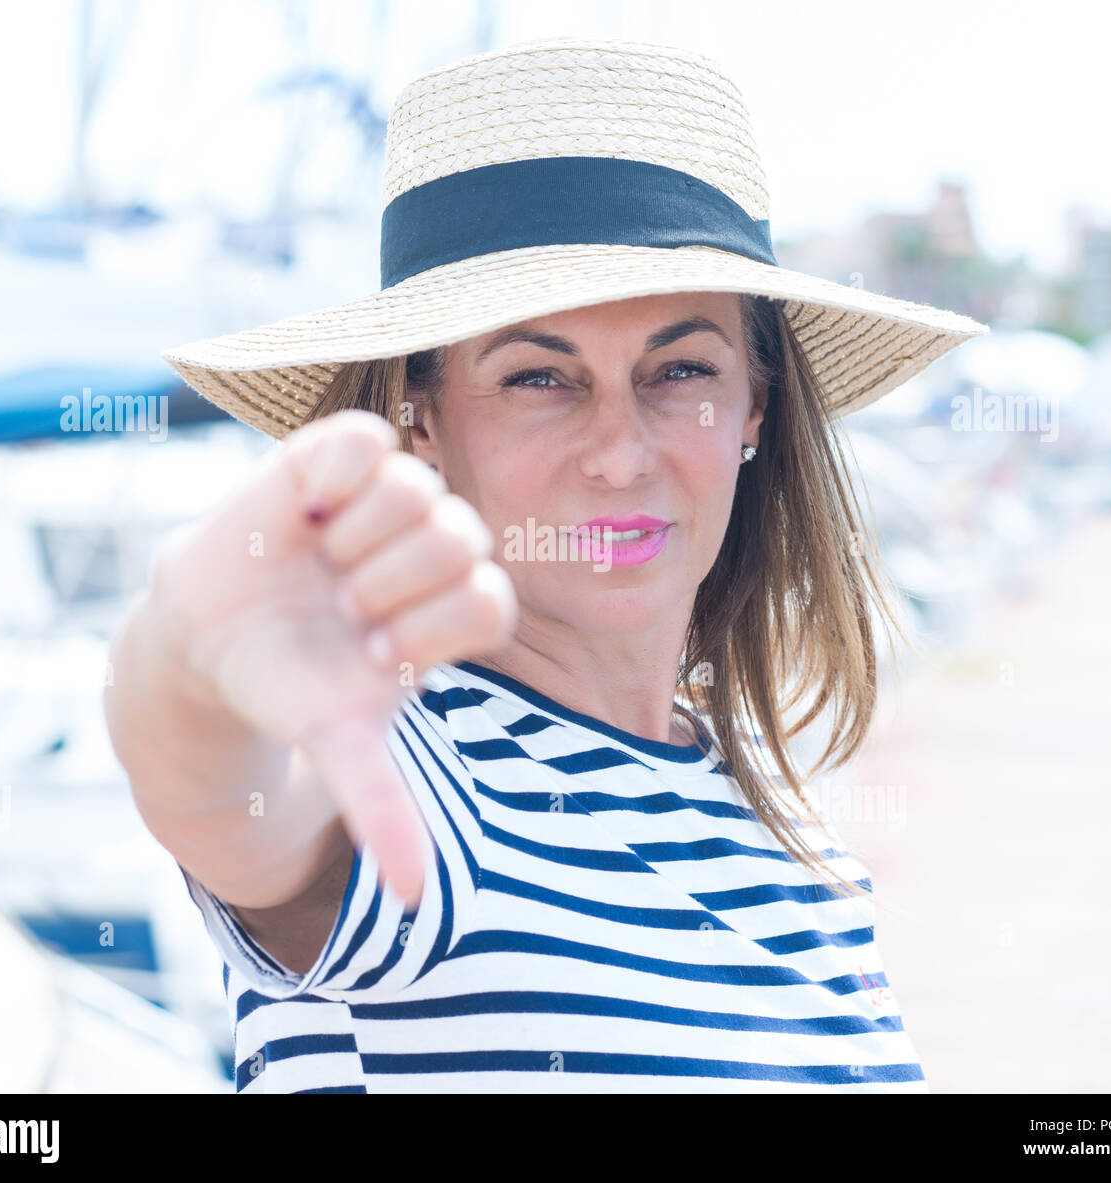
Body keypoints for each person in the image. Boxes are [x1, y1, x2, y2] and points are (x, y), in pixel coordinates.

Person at [104, 36, 987, 1093]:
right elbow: (230, 805)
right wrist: (190, 655)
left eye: (679, 369)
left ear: (754, 402)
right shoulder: (427, 782)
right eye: (536, 377)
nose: (620, 452)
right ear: (421, 417)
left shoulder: (790, 838)